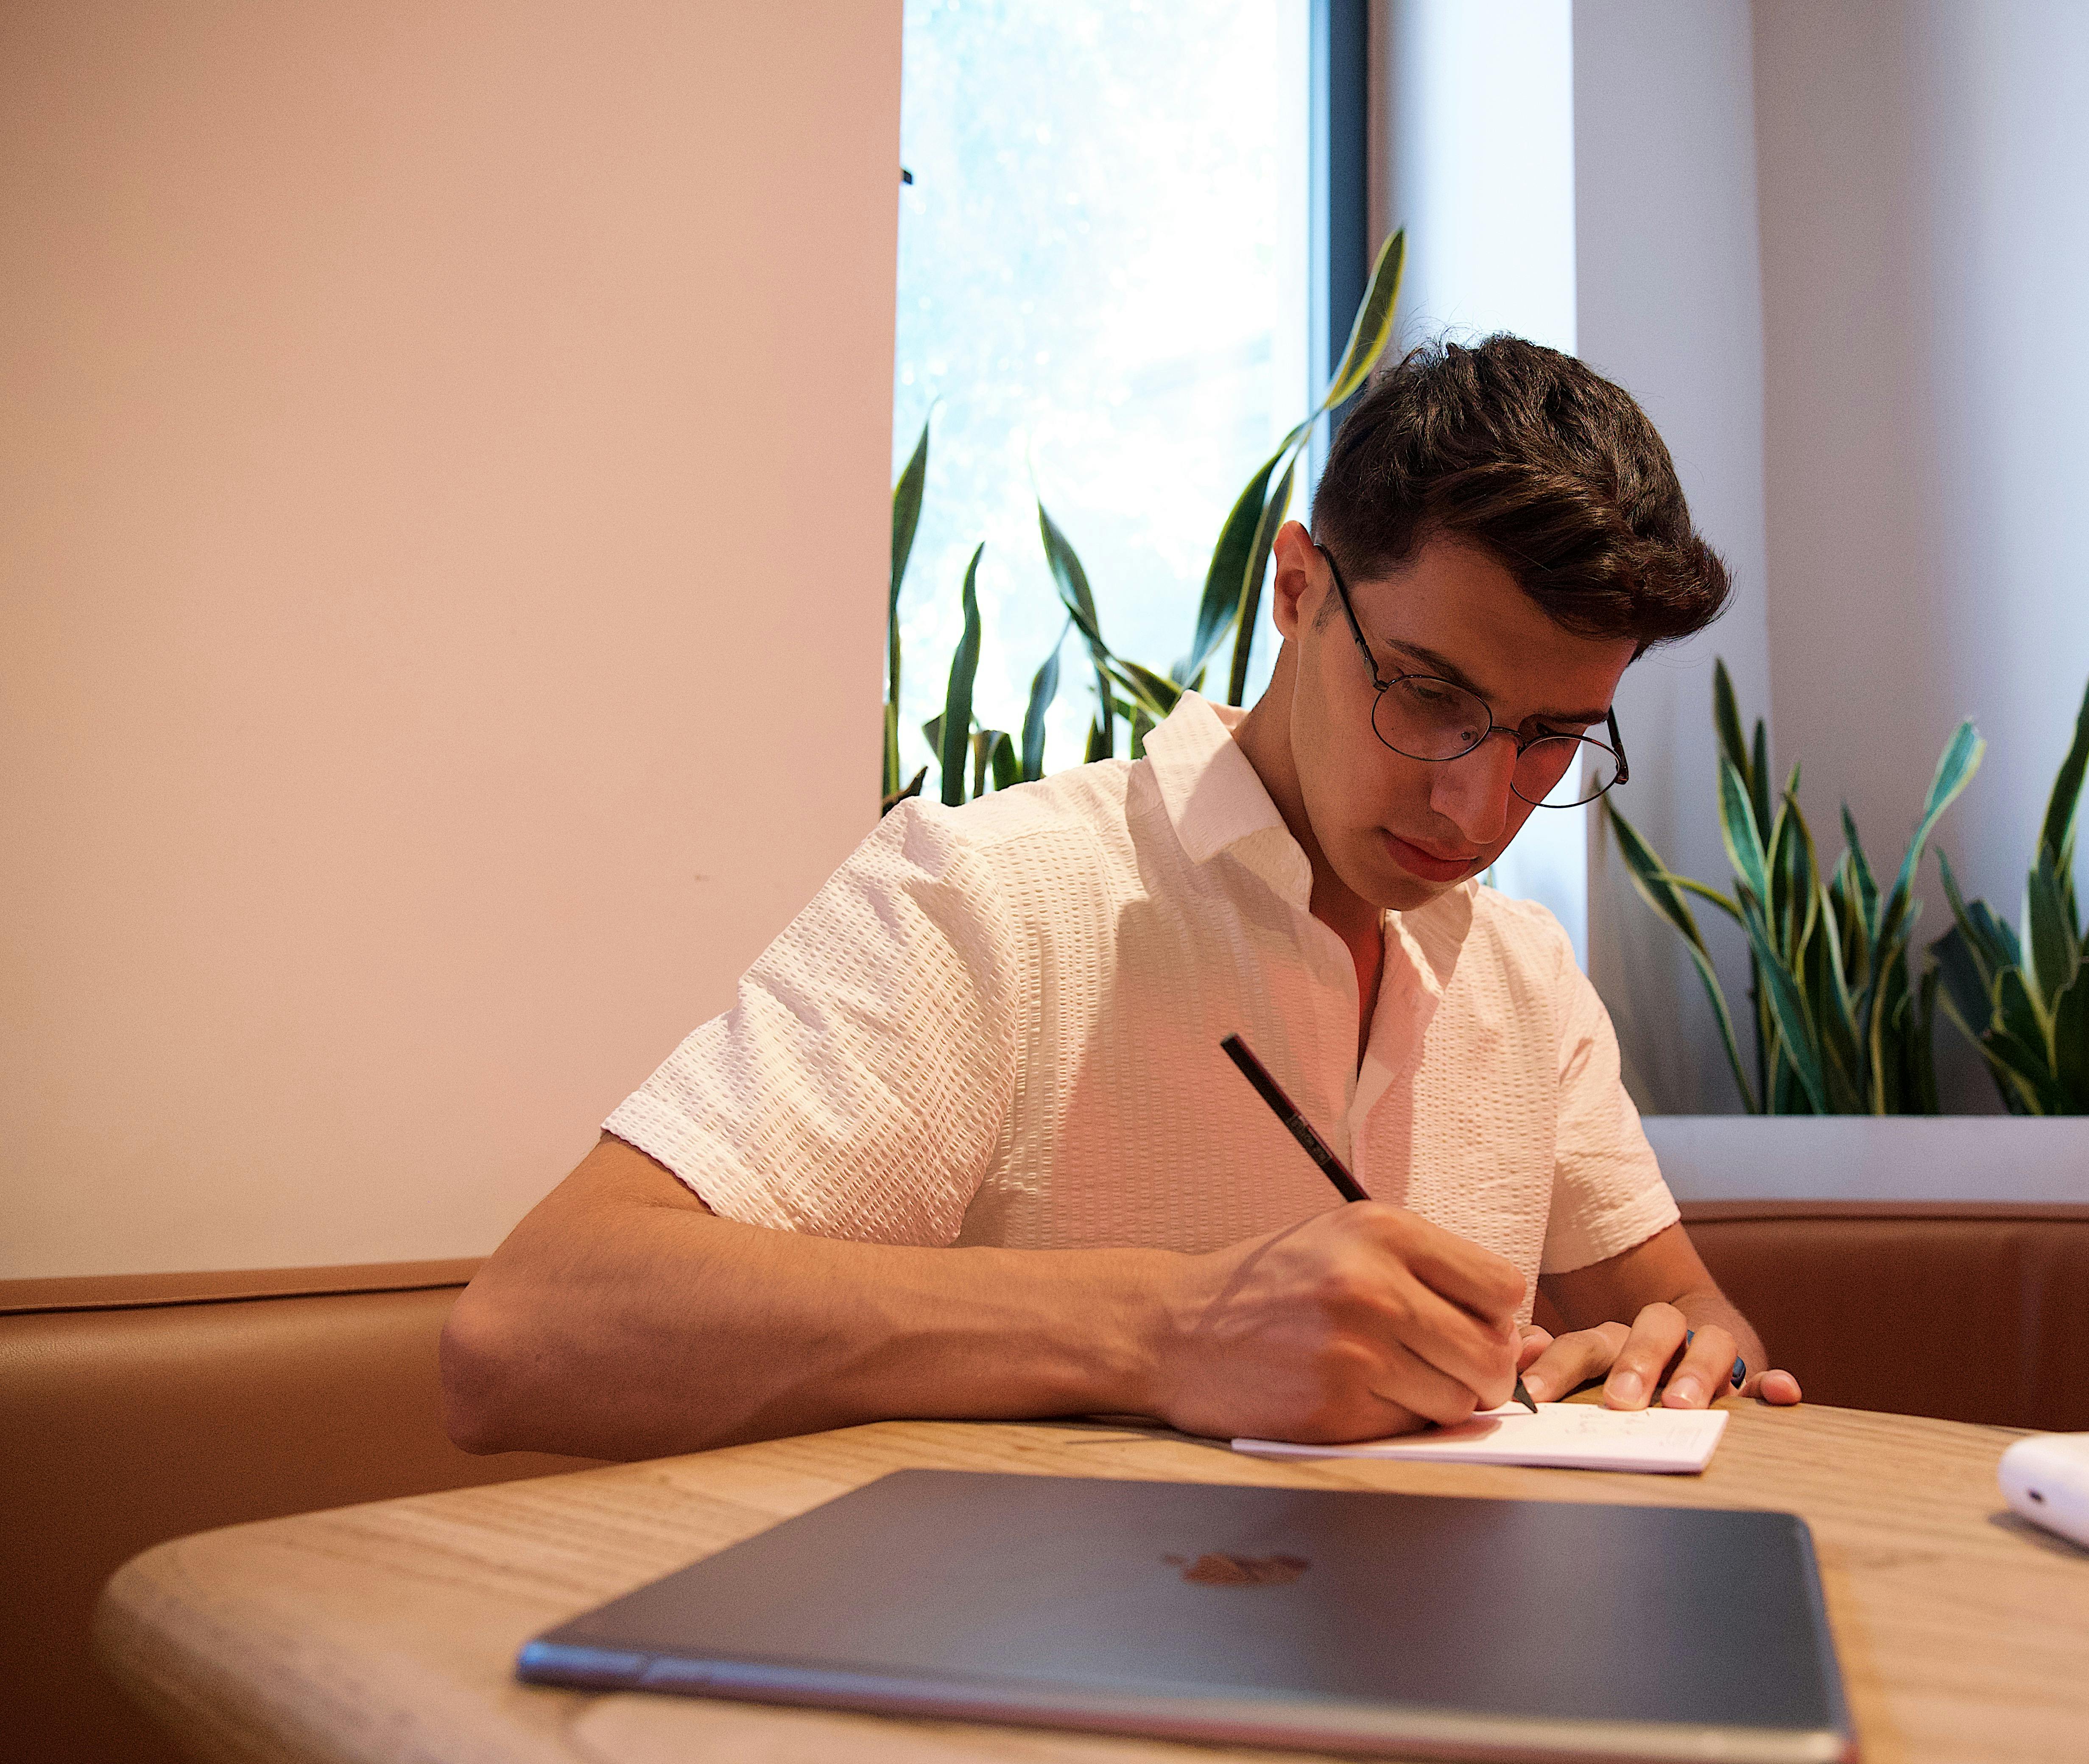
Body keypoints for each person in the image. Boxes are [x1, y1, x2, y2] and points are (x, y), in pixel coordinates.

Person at [441, 335, 1803, 1462]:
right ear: (1296, 588)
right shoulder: (996, 897)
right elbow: (531, 1331)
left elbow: (1686, 1307)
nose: (1476, 803)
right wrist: (1170, 1329)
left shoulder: (1522, 970)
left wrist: (1686, 1353)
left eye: (1552, 736)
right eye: (1432, 697)